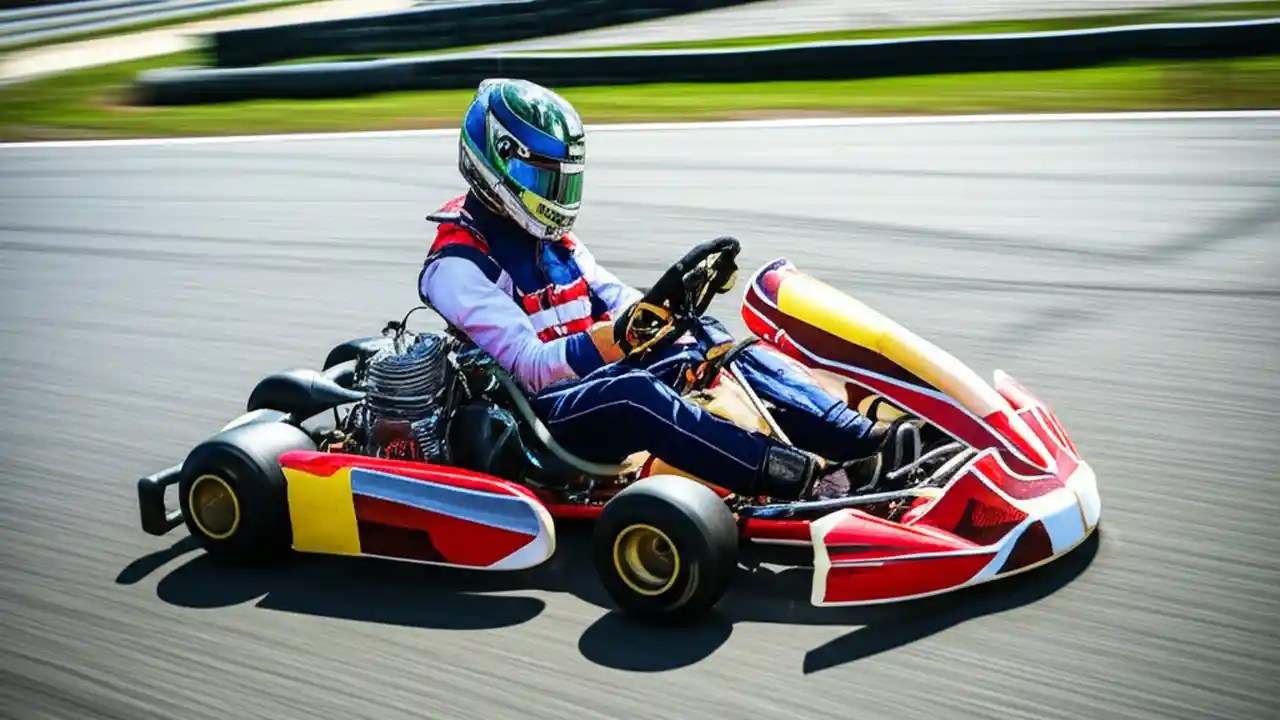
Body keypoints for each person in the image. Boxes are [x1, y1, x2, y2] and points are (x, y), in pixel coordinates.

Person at [418, 78, 919, 500]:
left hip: (594, 381)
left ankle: (867, 442)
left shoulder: (555, 242)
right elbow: (531, 367)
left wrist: (668, 316)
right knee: (634, 396)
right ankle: (807, 482)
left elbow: (616, 298)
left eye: (563, 182)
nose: (555, 196)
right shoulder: (458, 264)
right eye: (543, 178)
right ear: (499, 163)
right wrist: (619, 337)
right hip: (539, 418)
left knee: (714, 342)